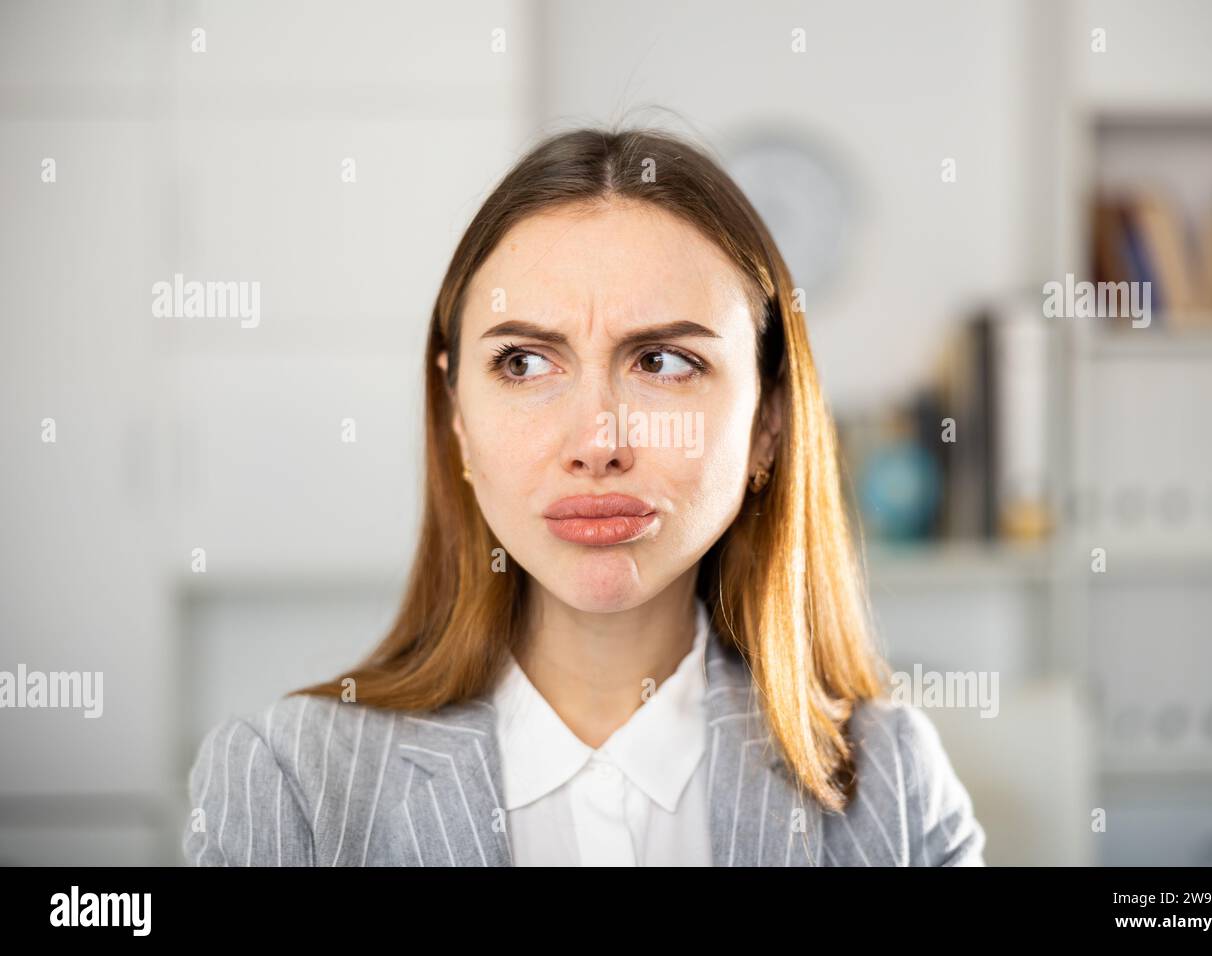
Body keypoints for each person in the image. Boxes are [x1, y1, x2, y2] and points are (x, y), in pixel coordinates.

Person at [182, 124, 986, 867]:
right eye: (525, 364)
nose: (597, 444)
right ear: (457, 416)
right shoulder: (288, 786)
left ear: (768, 423)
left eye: (664, 363)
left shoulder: (896, 787)